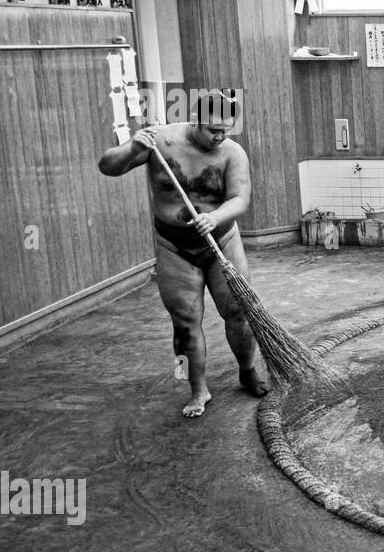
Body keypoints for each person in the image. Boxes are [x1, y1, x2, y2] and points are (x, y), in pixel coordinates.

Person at [98, 92, 268, 418]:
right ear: (196, 120)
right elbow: (107, 167)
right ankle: (195, 389)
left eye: (226, 130)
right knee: (184, 324)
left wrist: (214, 217)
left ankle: (247, 369)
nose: (219, 137)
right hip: (174, 248)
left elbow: (240, 199)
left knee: (239, 313)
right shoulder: (160, 142)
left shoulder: (232, 153)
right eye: (213, 130)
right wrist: (133, 148)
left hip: (222, 243)